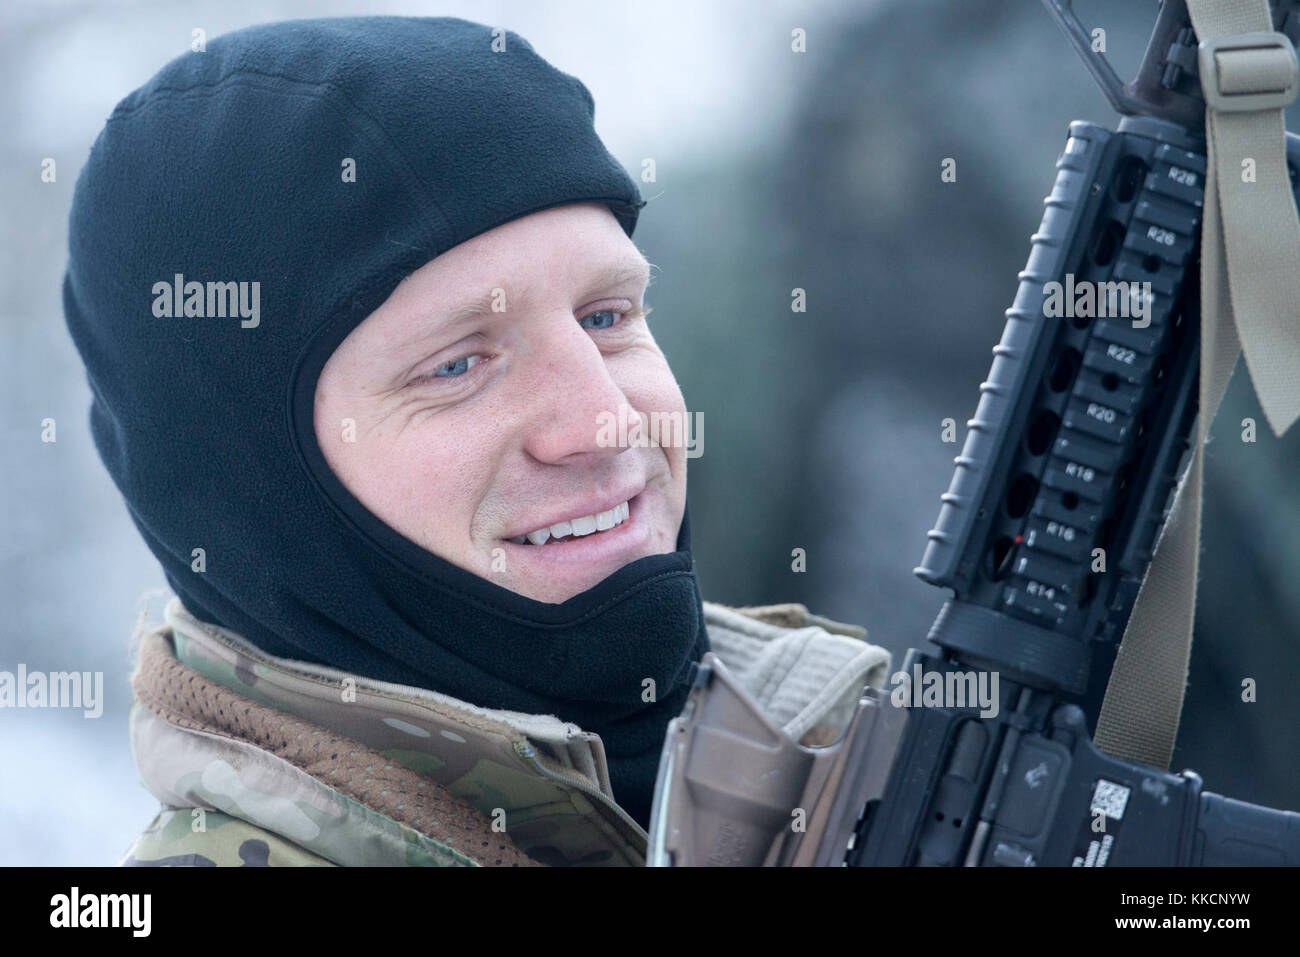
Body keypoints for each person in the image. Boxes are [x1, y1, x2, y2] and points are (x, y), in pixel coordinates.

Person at [63, 15, 890, 866]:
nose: (604, 421)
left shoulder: (865, 757)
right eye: (457, 365)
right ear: (249, 487)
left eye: (607, 317)